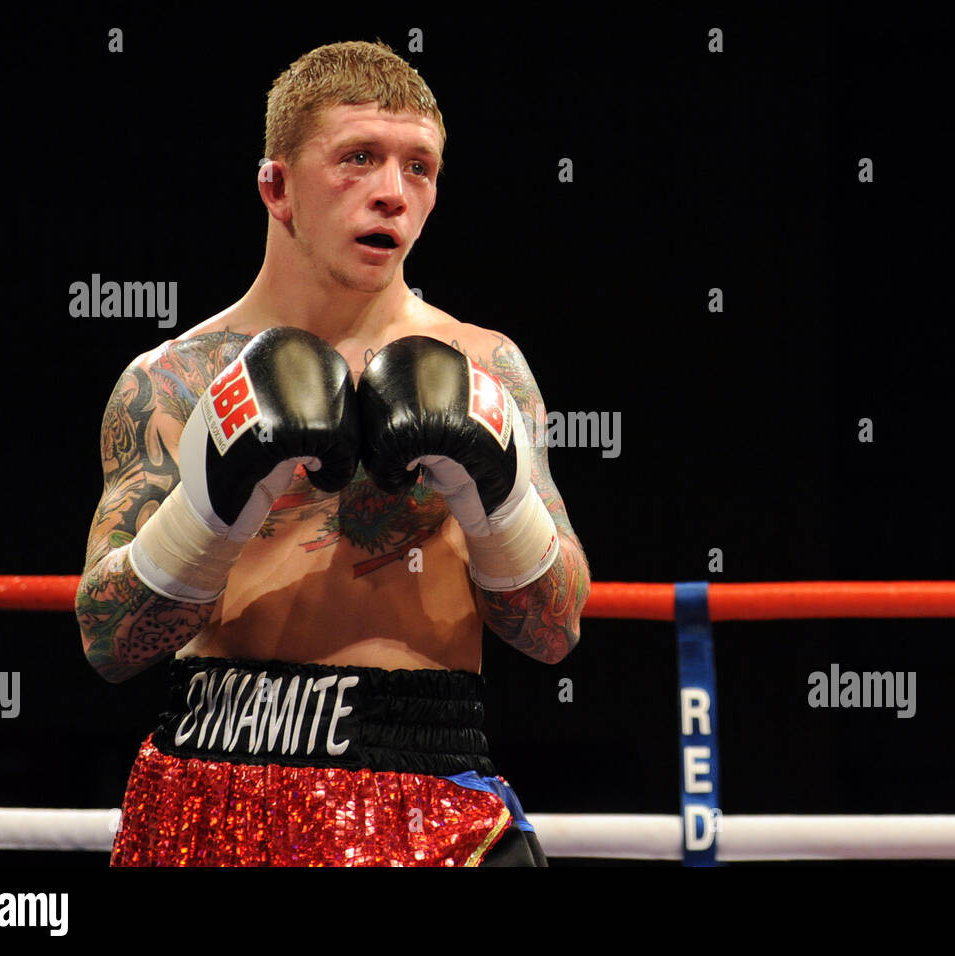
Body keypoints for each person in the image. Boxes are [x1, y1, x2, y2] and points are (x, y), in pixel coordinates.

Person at [74, 39, 589, 867]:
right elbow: (109, 641)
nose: (392, 192)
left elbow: (555, 630)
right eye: (359, 158)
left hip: (431, 784)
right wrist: (211, 503)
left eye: (419, 167)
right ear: (276, 186)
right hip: (216, 772)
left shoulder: (488, 368)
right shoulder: (172, 382)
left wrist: (495, 503)